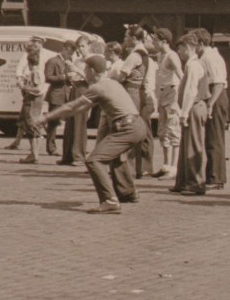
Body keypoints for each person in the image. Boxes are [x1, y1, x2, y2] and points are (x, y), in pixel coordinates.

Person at [40, 54, 147, 214]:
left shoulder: (97, 87)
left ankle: (110, 201)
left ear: (91, 70)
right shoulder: (112, 83)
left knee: (94, 160)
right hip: (138, 125)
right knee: (114, 156)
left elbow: (73, 107)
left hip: (127, 127)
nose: (84, 72)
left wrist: (46, 117)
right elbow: (80, 108)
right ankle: (128, 193)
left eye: (85, 69)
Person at [170, 32, 210, 195]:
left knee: (193, 145)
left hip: (194, 107)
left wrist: (184, 113)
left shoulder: (193, 66)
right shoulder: (192, 65)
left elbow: (190, 91)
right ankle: (183, 181)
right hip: (193, 107)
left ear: (187, 48)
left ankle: (196, 183)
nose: (179, 53)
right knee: (186, 144)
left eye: (180, 49)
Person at [116, 24, 154, 178]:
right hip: (141, 92)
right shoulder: (145, 54)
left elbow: (122, 76)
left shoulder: (134, 55)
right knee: (142, 129)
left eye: (126, 36)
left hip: (132, 91)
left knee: (129, 127)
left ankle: (130, 167)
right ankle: (143, 167)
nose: (124, 39)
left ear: (133, 38)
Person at [195, 28, 229, 190]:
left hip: (215, 97)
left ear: (201, 43)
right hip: (212, 96)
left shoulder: (210, 57)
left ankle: (216, 177)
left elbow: (219, 82)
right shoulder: (207, 56)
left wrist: (210, 104)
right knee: (211, 137)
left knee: (214, 138)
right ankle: (212, 175)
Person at [150, 26, 182, 179]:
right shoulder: (160, 56)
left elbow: (181, 76)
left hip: (171, 94)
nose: (153, 43)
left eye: (155, 40)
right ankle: (166, 164)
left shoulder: (172, 56)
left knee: (173, 130)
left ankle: (174, 168)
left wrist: (179, 99)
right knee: (162, 132)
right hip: (162, 95)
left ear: (164, 41)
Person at [58, 40, 91, 166]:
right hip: (75, 88)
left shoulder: (91, 60)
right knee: (70, 122)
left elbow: (91, 78)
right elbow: (73, 75)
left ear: (89, 46)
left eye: (83, 46)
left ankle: (79, 156)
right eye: (79, 47)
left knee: (79, 122)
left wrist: (77, 70)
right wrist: (70, 74)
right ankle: (67, 155)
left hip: (84, 90)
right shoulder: (77, 60)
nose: (81, 49)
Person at [15, 37, 47, 164]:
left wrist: (24, 87)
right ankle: (34, 153)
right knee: (32, 125)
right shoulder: (35, 72)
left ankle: (34, 154)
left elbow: (38, 89)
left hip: (33, 100)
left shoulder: (36, 72)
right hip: (34, 100)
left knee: (31, 125)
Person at [43, 40, 75, 156]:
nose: (70, 55)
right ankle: (51, 147)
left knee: (68, 122)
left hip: (67, 94)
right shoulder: (52, 61)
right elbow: (47, 77)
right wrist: (64, 77)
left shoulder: (69, 61)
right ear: (65, 48)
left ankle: (67, 148)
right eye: (69, 52)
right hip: (56, 95)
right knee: (53, 123)